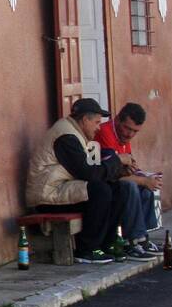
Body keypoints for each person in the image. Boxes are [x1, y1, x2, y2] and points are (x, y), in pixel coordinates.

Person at [25, 97, 148, 263]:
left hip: (62, 188)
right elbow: (88, 173)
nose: (98, 128)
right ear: (85, 120)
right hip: (46, 195)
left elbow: (93, 170)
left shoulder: (75, 133)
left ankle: (107, 243)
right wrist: (118, 160)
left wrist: (119, 172)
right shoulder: (66, 136)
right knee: (100, 191)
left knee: (118, 188)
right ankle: (87, 249)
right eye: (97, 122)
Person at [95, 103, 163, 258]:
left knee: (146, 188)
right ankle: (131, 241)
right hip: (103, 183)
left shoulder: (123, 136)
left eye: (135, 131)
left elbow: (129, 166)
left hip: (115, 180)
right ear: (118, 120)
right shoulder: (105, 133)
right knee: (131, 186)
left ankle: (142, 239)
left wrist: (144, 177)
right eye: (127, 128)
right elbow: (112, 172)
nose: (130, 134)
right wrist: (143, 180)